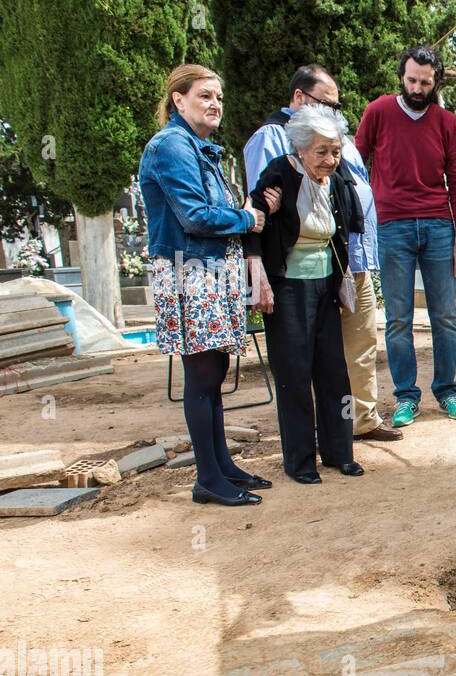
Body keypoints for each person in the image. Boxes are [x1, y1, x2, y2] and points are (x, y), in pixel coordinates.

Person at [138, 63, 278, 507]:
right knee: (202, 376)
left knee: (213, 374)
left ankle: (222, 467)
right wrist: (249, 218)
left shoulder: (199, 147)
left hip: (210, 270)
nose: (215, 103)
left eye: (219, 96)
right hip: (189, 271)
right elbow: (195, 217)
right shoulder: (172, 146)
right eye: (204, 95)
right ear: (178, 100)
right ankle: (208, 480)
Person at [243, 65, 402, 443]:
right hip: (305, 269)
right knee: (311, 358)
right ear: (299, 98)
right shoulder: (272, 138)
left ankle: (361, 420)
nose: (333, 112)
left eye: (336, 106)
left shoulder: (340, 140)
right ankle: (315, 434)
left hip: (353, 259)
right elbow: (263, 204)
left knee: (360, 343)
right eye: (325, 103)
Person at [244, 105, 365, 484]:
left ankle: (340, 452)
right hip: (288, 289)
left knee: (334, 373)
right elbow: (253, 218)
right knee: (294, 375)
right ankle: (300, 462)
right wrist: (257, 270)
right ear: (300, 148)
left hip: (326, 284)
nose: (330, 159)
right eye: (321, 152)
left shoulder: (337, 174)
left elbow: (349, 219)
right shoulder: (279, 171)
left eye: (335, 150)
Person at [354, 45, 456, 427]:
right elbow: (356, 162)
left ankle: (447, 391)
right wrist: (366, 213)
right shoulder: (378, 111)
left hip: (438, 224)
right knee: (398, 319)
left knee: (445, 316)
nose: (418, 88)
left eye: (425, 82)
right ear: (401, 78)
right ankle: (406, 396)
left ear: (435, 82)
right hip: (392, 226)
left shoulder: (446, 122)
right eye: (412, 80)